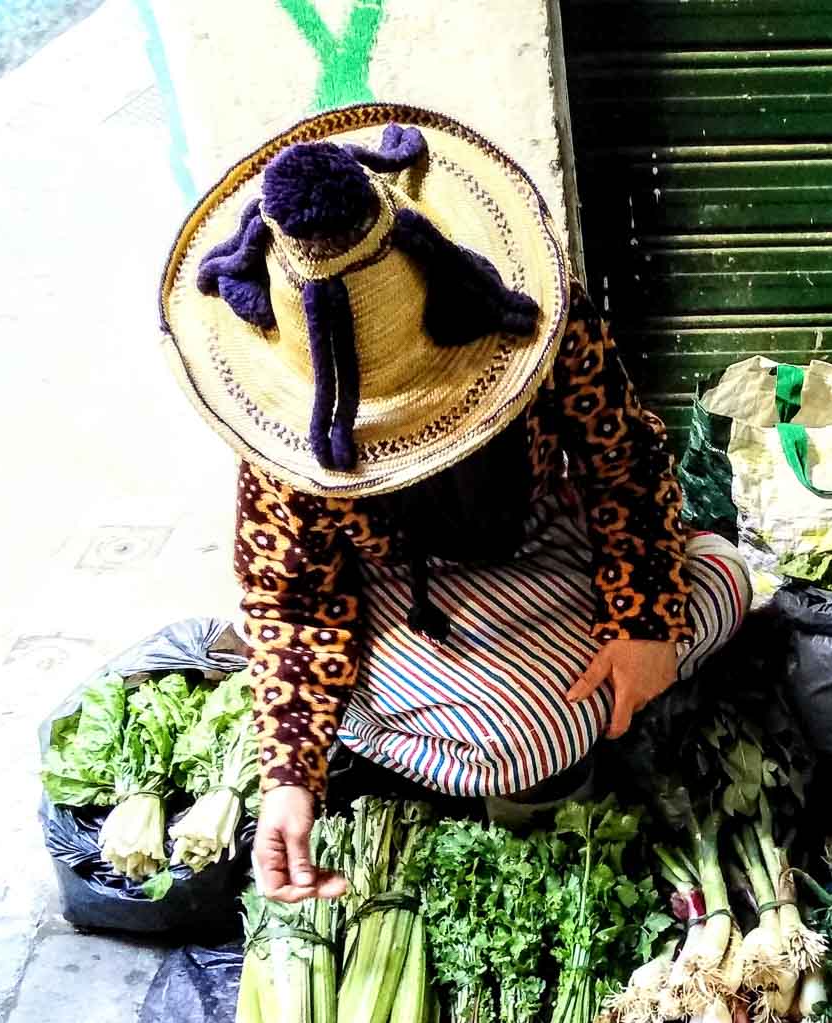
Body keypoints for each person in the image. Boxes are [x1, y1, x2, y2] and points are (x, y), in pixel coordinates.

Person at [160, 106, 750, 902]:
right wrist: (290, 779)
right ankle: (378, 721)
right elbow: (294, 601)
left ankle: (539, 686)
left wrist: (642, 625)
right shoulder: (288, 441)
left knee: (725, 580)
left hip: (545, 530)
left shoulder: (536, 315)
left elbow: (626, 462)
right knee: (522, 742)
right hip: (402, 593)